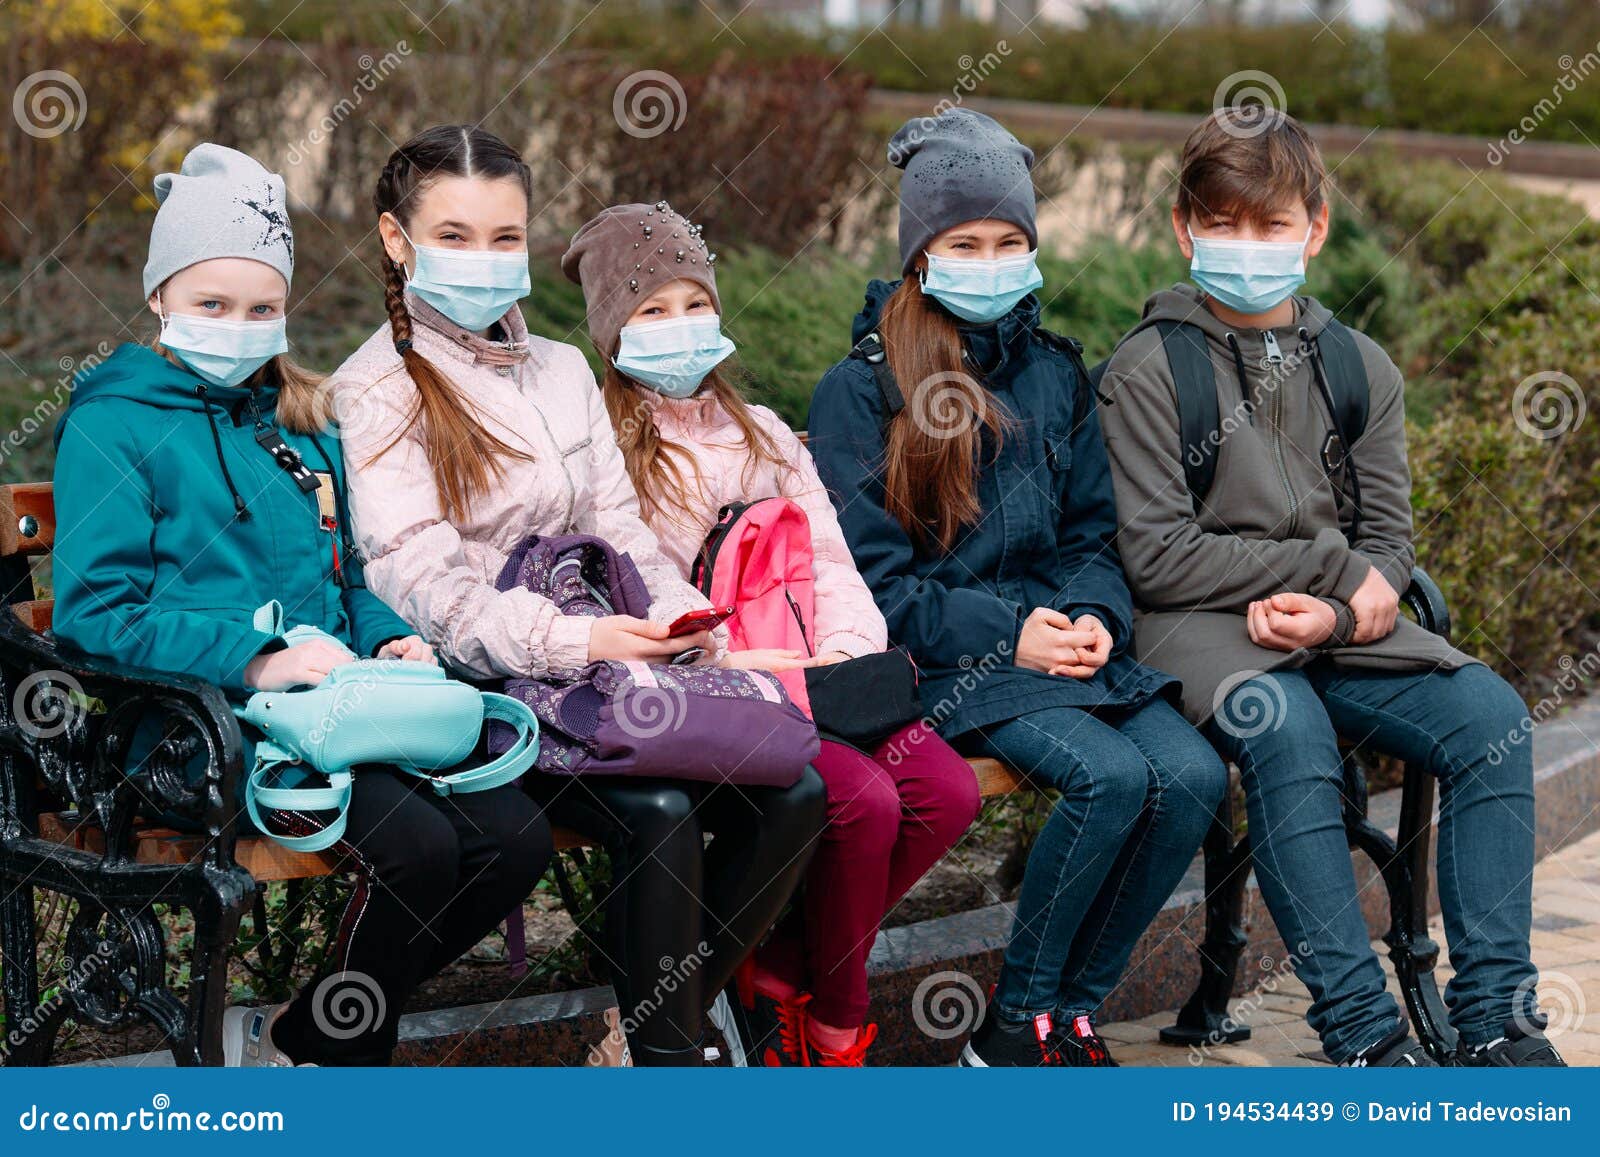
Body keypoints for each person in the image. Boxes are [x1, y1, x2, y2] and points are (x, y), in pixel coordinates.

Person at [330, 126, 825, 1067]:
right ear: (397, 241)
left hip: (607, 666)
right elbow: (423, 584)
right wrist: (582, 639)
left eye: (506, 238)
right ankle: (667, 1062)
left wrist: (676, 617)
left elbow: (621, 530)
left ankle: (643, 1037)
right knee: (663, 812)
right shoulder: (380, 387)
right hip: (490, 688)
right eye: (456, 236)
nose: (486, 262)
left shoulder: (558, 369)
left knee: (794, 790)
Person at [50, 143, 551, 1067]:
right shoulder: (113, 423)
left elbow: (348, 578)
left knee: (512, 837)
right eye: (212, 304)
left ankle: (310, 1029)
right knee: (419, 849)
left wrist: (392, 638)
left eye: (263, 308)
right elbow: (93, 614)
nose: (239, 327)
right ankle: (342, 1063)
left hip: (335, 713)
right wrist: (253, 657)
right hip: (197, 732)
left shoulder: (297, 427)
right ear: (160, 298)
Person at [1096, 107, 1561, 1068]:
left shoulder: (1358, 364)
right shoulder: (1146, 370)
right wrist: (1328, 569)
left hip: (1339, 620)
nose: (1248, 245)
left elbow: (1389, 539)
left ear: (1314, 228)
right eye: (1224, 223)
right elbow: (1158, 557)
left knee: (1489, 714)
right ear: (1186, 228)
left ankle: (1496, 1019)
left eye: (1273, 225)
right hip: (1194, 626)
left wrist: (1347, 606)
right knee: (1287, 725)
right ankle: (1359, 1026)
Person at [807, 110, 1227, 1067]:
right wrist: (1011, 632)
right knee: (1113, 777)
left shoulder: (1053, 372)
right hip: (954, 661)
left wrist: (1092, 616)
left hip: (1066, 648)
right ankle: (1008, 1030)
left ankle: (1071, 1012)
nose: (990, 260)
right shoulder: (860, 389)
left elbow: (1091, 533)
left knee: (1195, 776)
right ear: (921, 252)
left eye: (1009, 242)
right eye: (965, 243)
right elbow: (876, 588)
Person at [561, 202, 982, 1066]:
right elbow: (649, 588)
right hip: (728, 687)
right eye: (651, 311)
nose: (681, 327)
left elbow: (828, 553)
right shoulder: (606, 449)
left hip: (816, 670)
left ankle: (781, 963)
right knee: (860, 802)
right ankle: (837, 1022)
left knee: (946, 790)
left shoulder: (762, 428)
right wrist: (756, 661)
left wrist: (848, 646)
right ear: (612, 332)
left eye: (695, 304)